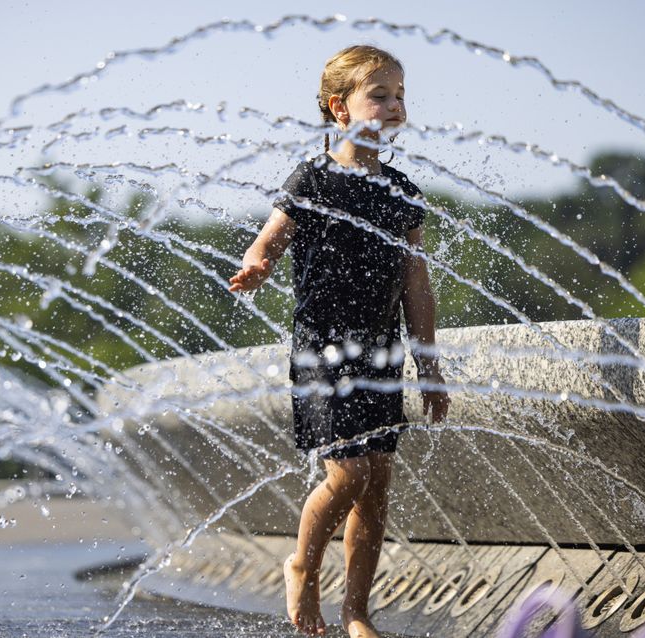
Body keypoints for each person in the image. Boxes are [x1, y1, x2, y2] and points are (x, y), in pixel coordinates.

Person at [228, 45, 450, 638]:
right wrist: (256, 267)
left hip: (382, 352)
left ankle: (357, 612)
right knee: (347, 477)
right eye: (380, 94)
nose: (395, 104)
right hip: (321, 349)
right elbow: (270, 238)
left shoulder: (402, 192)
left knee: (376, 491)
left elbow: (417, 285)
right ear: (339, 107)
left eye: (401, 93)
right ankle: (302, 564)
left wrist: (428, 363)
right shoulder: (314, 178)